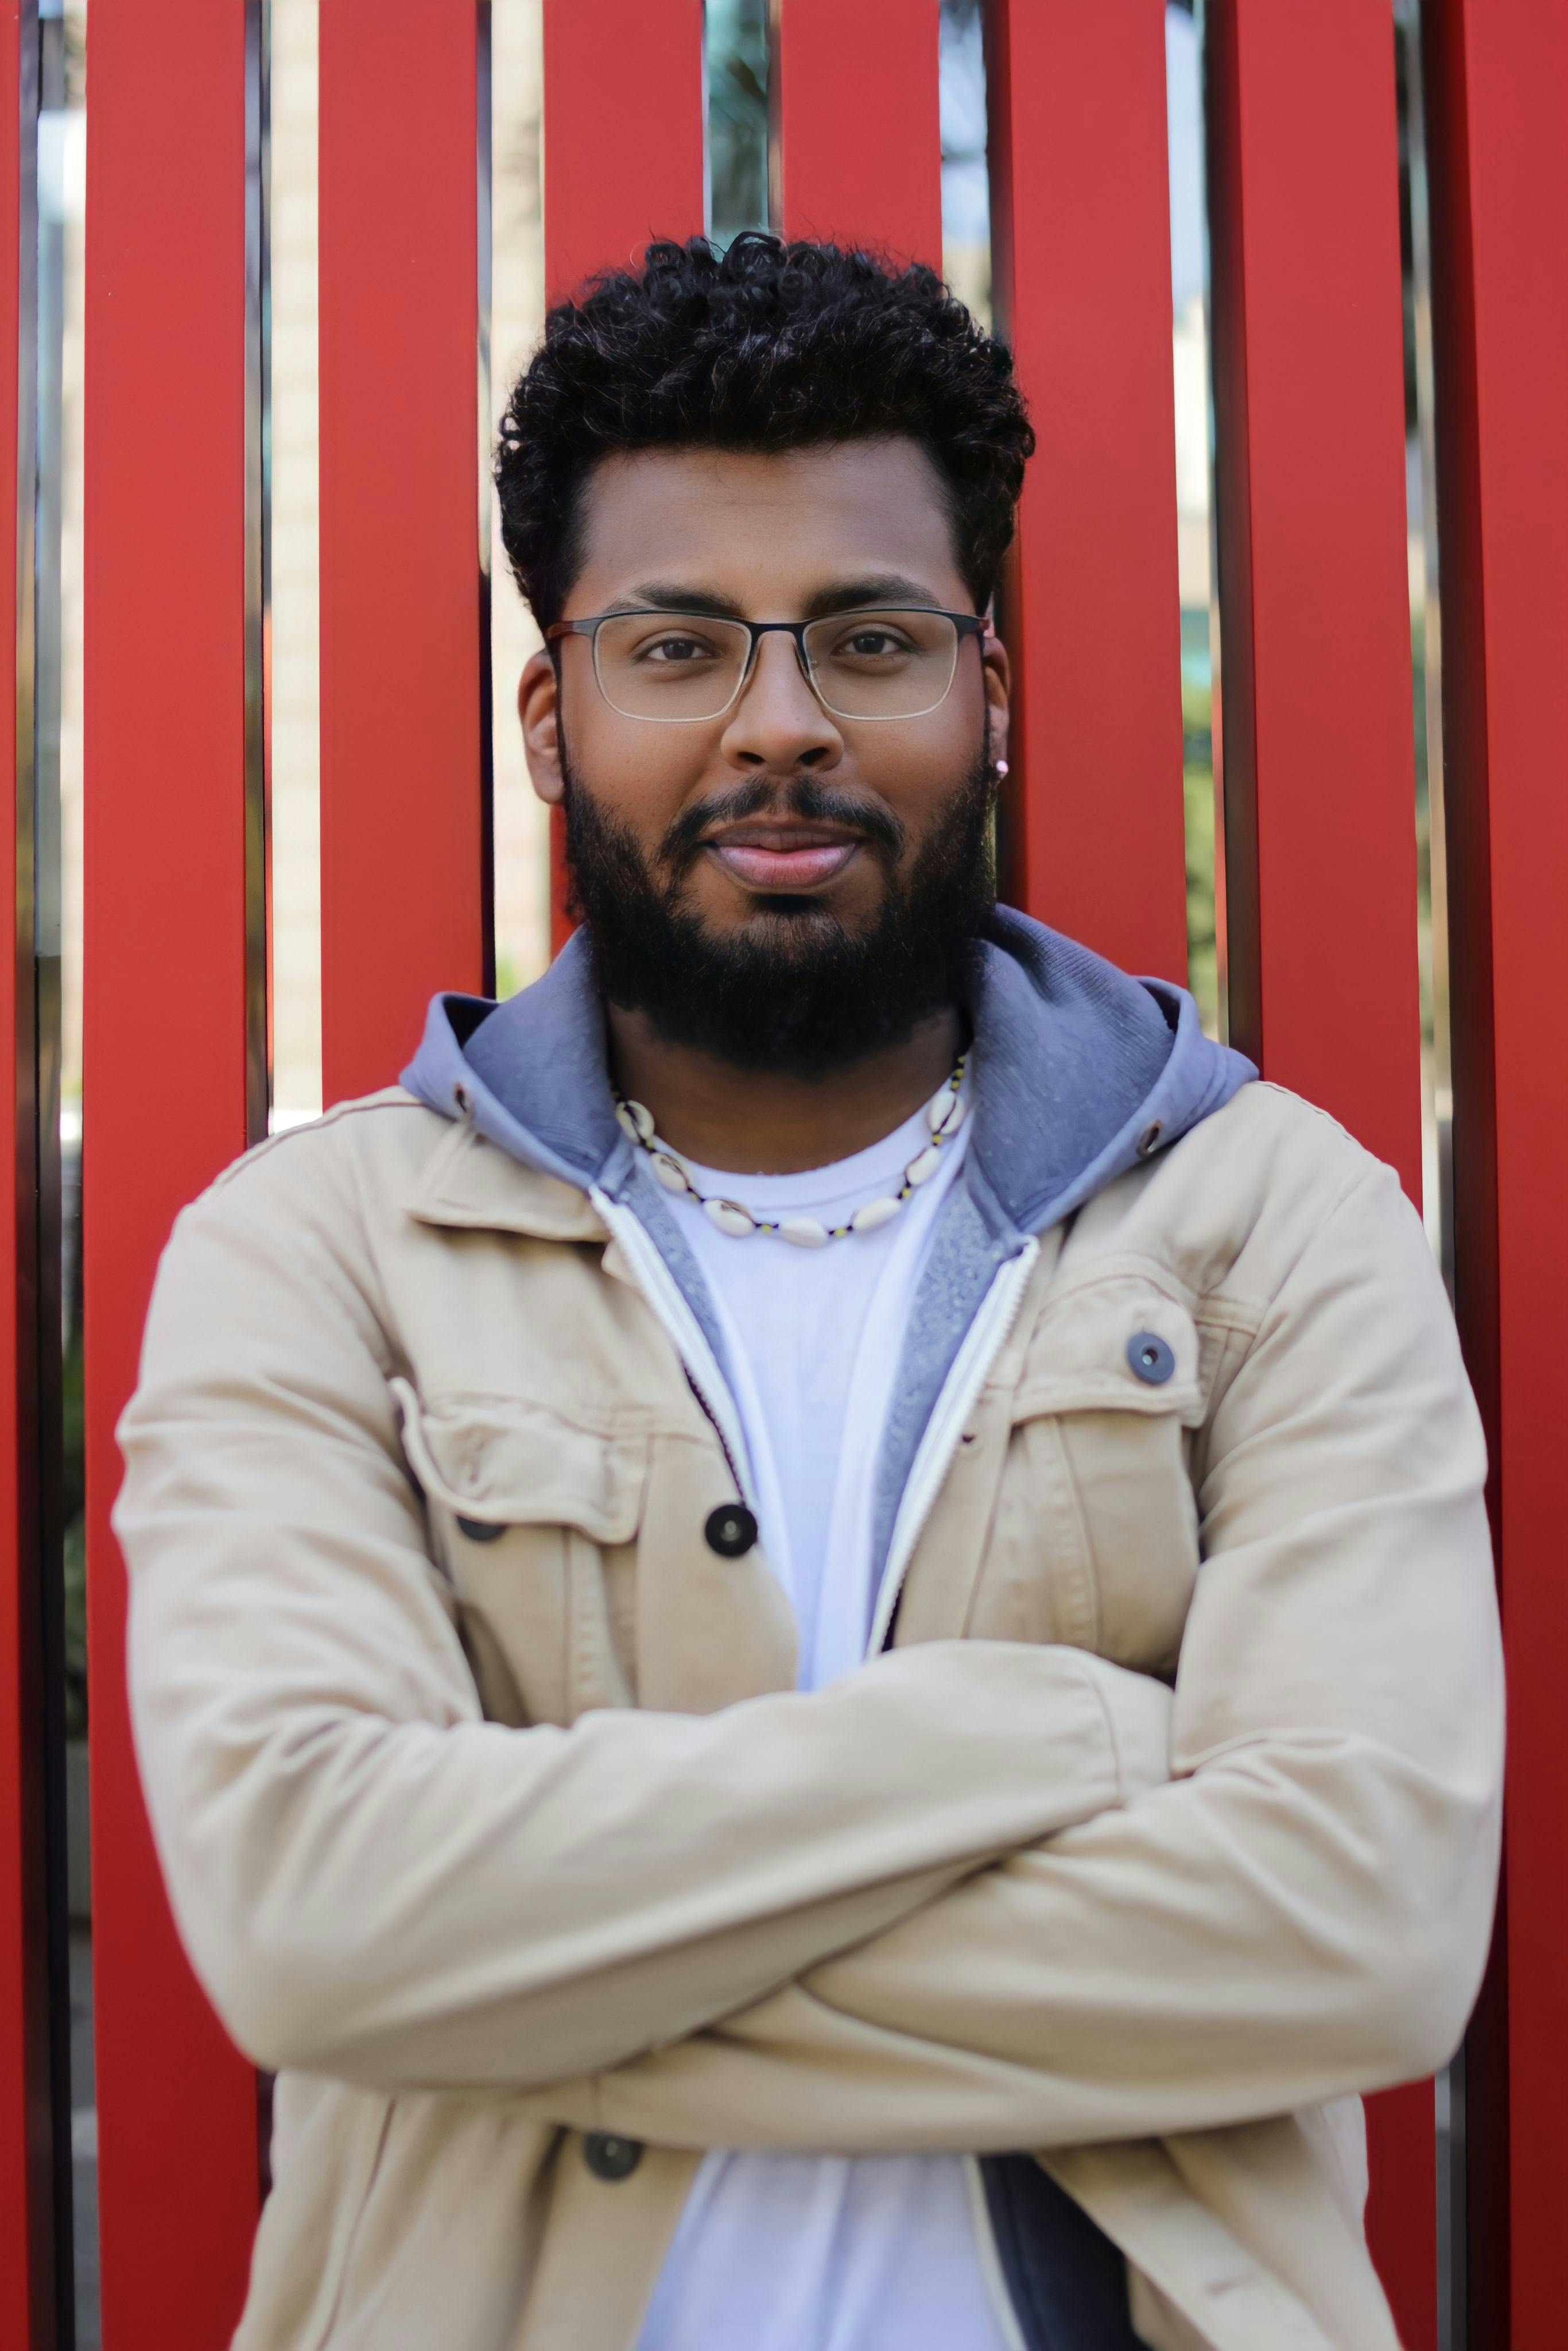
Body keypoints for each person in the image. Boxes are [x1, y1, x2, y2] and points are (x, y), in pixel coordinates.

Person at [117, 236, 1502, 2351]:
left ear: (988, 694)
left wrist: (508, 1970)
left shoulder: (1271, 1225)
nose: (781, 724)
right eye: (676, 649)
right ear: (548, 709)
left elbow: (1367, 1935)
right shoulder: (316, 1263)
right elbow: (313, 1929)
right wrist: (1070, 1740)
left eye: (868, 638)